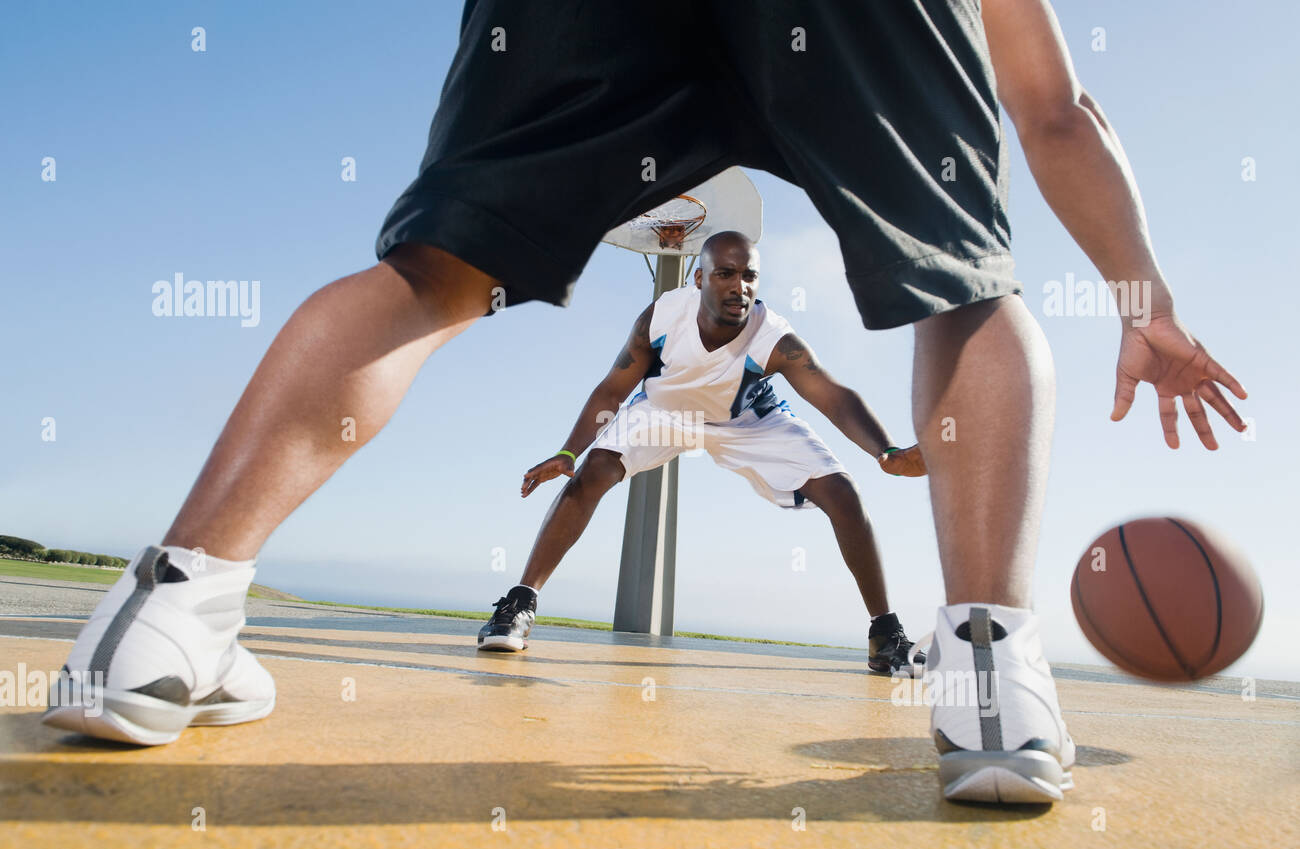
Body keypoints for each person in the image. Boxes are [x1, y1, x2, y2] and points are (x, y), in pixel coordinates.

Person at [45, 1, 1247, 807]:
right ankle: (985, 669)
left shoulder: (756, 316)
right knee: (961, 280)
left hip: (726, 374)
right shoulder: (670, 316)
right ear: (707, 263)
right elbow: (1056, 113)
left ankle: (165, 612)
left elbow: (817, 390)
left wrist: (879, 448)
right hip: (694, 370)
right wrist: (1144, 299)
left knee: (434, 272)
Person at [476, 231, 926, 678]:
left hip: (748, 422)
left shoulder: (772, 336)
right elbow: (614, 387)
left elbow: (831, 394)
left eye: (749, 275)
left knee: (844, 494)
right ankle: (519, 603)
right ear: (699, 278)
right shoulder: (663, 317)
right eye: (725, 274)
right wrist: (568, 450)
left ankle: (885, 637)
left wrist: (886, 452)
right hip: (664, 410)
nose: (739, 286)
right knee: (593, 472)